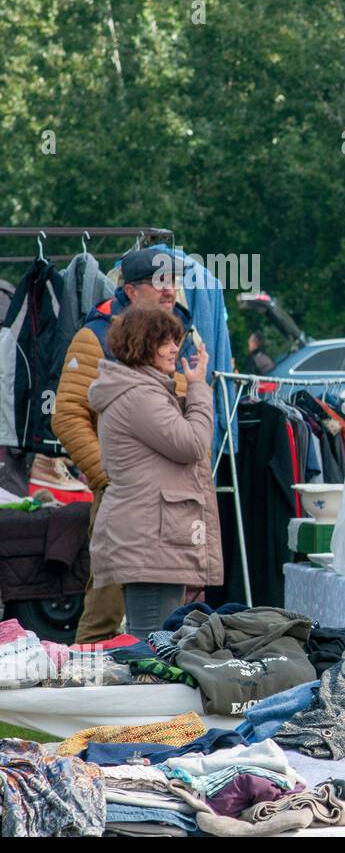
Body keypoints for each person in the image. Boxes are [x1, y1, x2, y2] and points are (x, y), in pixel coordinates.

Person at [53, 248, 198, 644]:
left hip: (170, 495)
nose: (170, 290)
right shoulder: (96, 334)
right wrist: (107, 475)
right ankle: (82, 696)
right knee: (105, 609)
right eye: (160, 282)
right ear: (131, 291)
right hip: (123, 495)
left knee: (169, 615)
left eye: (174, 281)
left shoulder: (180, 331)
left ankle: (153, 697)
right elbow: (67, 414)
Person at [87, 308, 220, 641]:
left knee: (152, 641)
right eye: (165, 341)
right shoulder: (140, 395)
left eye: (176, 340)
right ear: (142, 344)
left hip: (153, 534)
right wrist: (199, 389)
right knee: (151, 645)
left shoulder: (143, 390)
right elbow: (192, 444)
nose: (175, 348)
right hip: (150, 537)